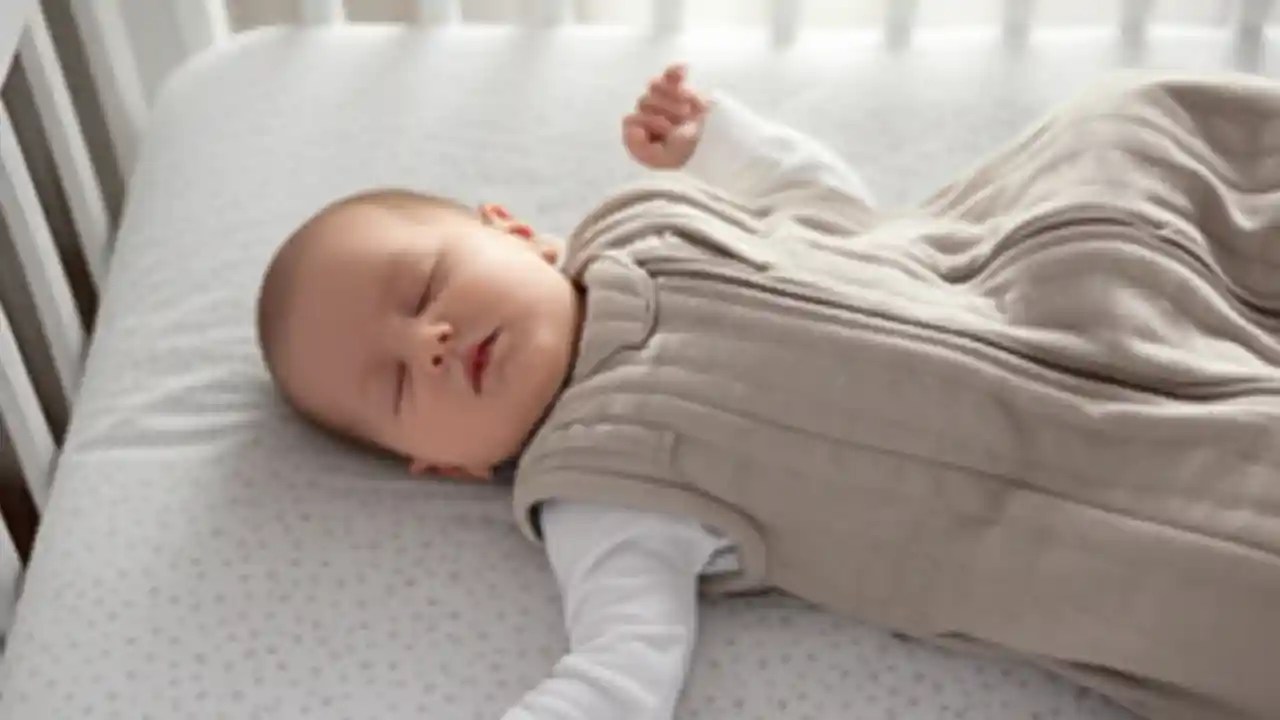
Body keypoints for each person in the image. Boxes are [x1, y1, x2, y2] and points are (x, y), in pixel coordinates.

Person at [257, 65, 1280, 720]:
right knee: (1224, 579)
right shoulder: (597, 494)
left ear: (515, 233)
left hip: (1006, 290)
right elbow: (623, 666)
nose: (430, 343)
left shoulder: (649, 221)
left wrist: (719, 144)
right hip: (1049, 494)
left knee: (1128, 133)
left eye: (424, 289)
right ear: (445, 467)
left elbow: (824, 209)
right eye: (396, 381)